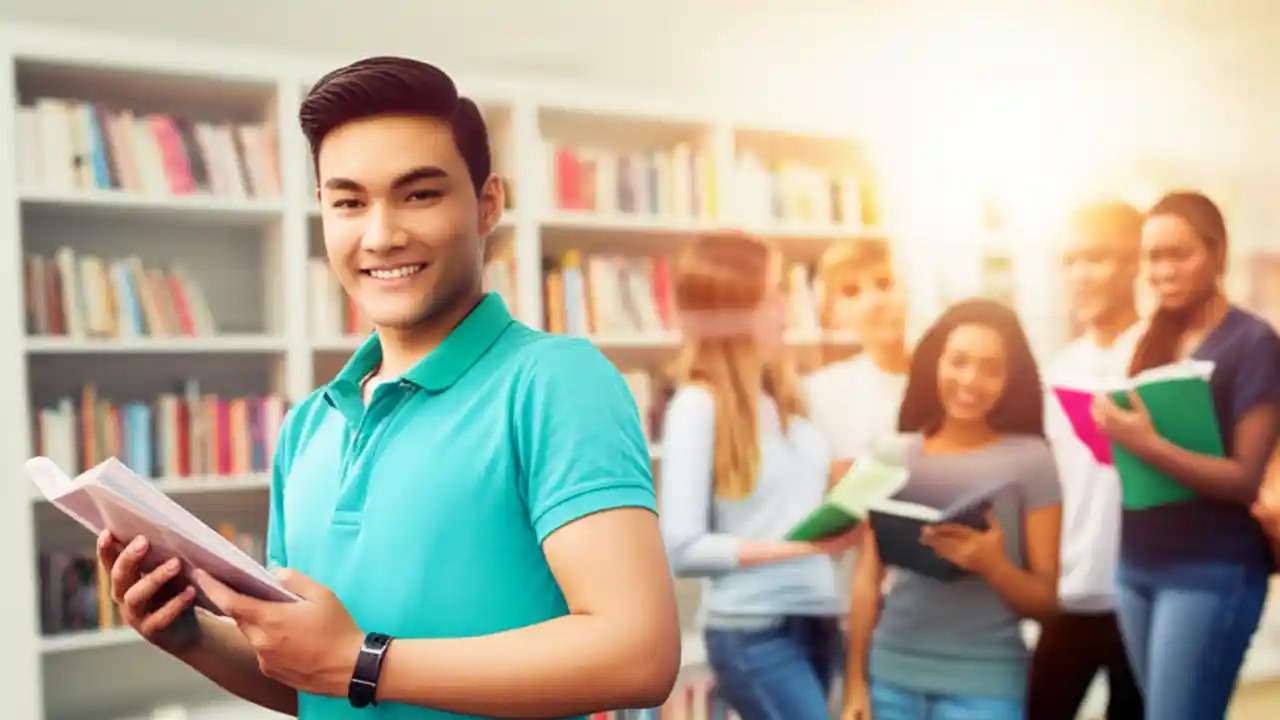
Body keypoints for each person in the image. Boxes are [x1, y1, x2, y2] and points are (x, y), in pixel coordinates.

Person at [94, 56, 681, 720]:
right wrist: (190, 637)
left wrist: (360, 658)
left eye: (419, 194)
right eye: (349, 202)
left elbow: (639, 654)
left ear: (488, 204)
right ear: (323, 213)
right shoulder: (308, 426)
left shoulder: (556, 381)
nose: (382, 235)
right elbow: (315, 683)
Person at [1093, 190, 1280, 720]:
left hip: (1211, 571)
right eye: (1152, 257)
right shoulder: (1150, 340)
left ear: (1217, 254)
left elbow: (1244, 479)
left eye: (1180, 254)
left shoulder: (1254, 342)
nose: (1163, 270)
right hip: (1136, 565)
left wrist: (1143, 441)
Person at [659, 232, 862, 720]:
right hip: (754, 634)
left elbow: (793, 504)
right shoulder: (697, 406)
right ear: (736, 309)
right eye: (774, 295)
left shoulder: (790, 400)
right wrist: (800, 547)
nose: (787, 311)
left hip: (819, 618)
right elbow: (681, 549)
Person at [842, 298, 1063, 720]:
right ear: (934, 363)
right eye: (958, 361)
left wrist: (993, 564)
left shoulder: (1032, 461)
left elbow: (1046, 603)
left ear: (1009, 379)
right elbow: (867, 580)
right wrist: (856, 684)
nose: (970, 380)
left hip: (985, 688)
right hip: (891, 680)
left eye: (991, 368)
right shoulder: (889, 455)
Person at [1027, 201, 1146, 719]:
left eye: (1095, 258)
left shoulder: (1161, 357)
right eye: (1069, 261)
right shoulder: (1057, 370)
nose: (1079, 275)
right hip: (1068, 597)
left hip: (1141, 598)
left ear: (1135, 262)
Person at [804, 236, 911, 484]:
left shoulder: (948, 378)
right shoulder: (819, 393)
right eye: (851, 292)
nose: (875, 302)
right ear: (832, 314)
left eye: (884, 284)